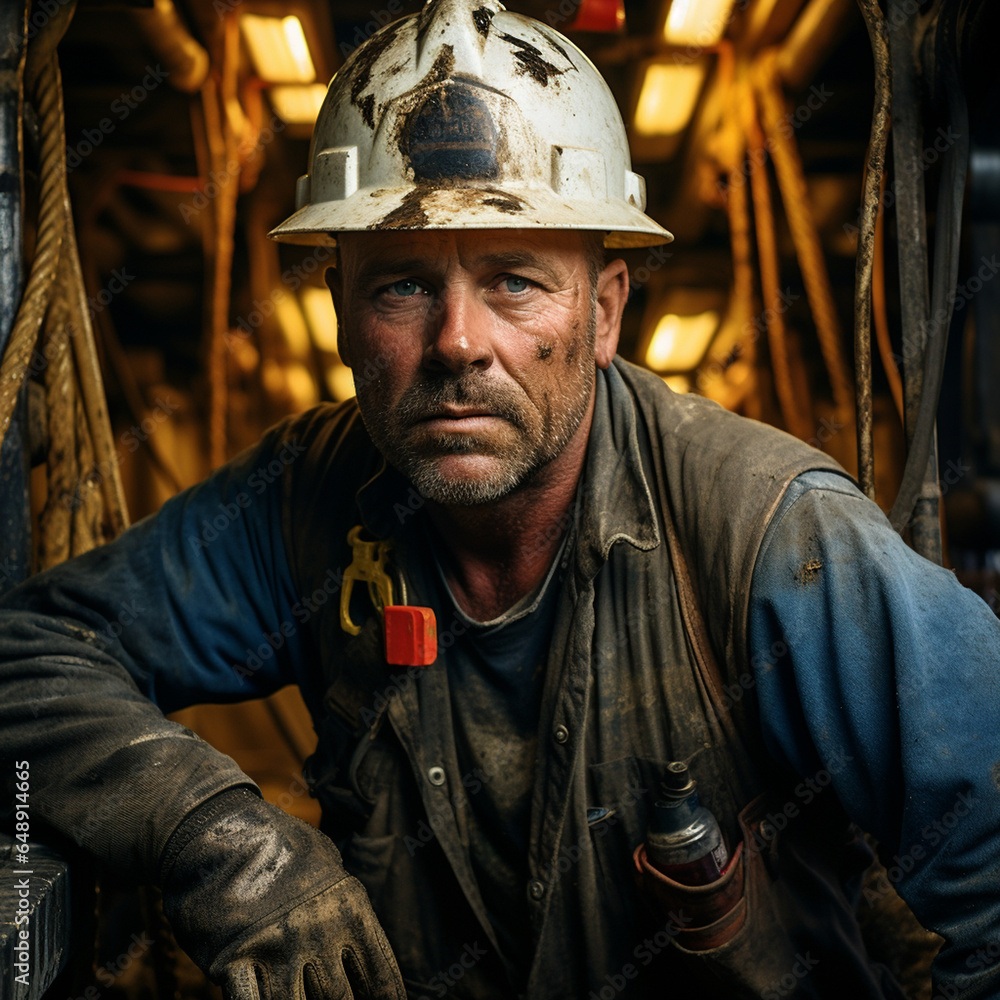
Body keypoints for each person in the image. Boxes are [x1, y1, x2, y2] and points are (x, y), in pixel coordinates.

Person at [2, 0, 999, 997]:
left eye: (515, 280)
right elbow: (29, 655)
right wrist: (218, 840)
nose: (456, 343)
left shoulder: (772, 537)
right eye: (400, 285)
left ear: (604, 312)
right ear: (341, 313)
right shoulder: (307, 500)